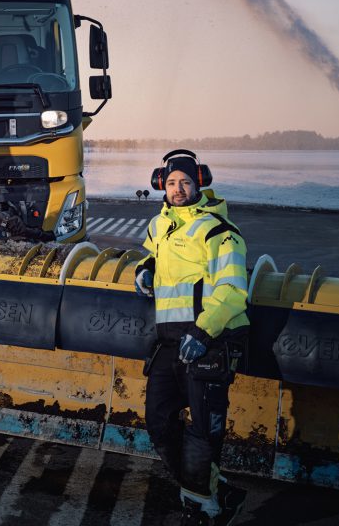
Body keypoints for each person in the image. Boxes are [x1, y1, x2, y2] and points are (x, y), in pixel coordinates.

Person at [135, 151, 249, 526]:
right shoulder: (158, 226)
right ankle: (218, 489)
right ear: (160, 185)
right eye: (170, 183)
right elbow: (150, 256)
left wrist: (202, 332)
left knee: (203, 432)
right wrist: (144, 270)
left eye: (185, 182)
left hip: (208, 343)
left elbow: (232, 290)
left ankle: (205, 507)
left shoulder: (218, 231)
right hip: (169, 343)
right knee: (158, 422)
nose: (178, 189)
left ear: (199, 182)